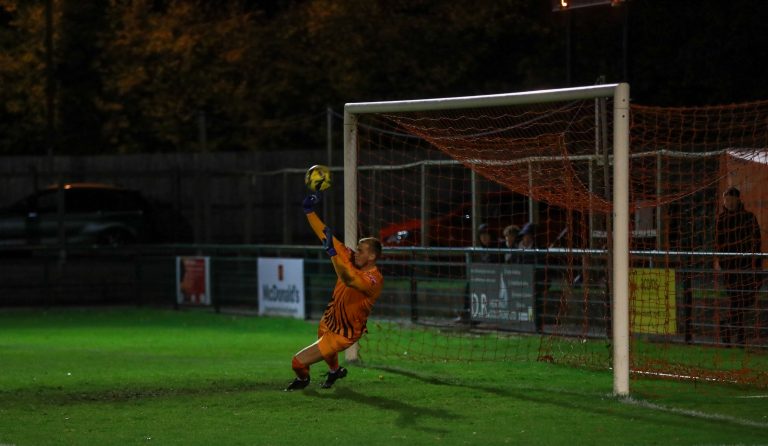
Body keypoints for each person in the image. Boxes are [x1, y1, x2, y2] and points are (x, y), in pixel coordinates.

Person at [285, 193, 384, 390]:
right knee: (326, 351)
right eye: (357, 248)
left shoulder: (375, 280)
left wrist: (332, 254)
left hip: (343, 333)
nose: (356, 252)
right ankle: (335, 371)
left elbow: (349, 279)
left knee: (297, 363)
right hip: (329, 319)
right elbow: (325, 234)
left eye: (361, 250)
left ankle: (303, 380)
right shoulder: (350, 257)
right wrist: (309, 211)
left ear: (372, 256)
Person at [714, 187, 762, 346]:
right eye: (726, 200)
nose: (728, 203)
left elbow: (757, 241)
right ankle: (739, 336)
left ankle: (728, 325)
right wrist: (724, 265)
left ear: (738, 199)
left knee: (744, 300)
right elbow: (719, 243)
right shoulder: (721, 219)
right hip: (731, 269)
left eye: (731, 199)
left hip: (747, 267)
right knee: (736, 300)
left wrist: (757, 265)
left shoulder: (749, 217)